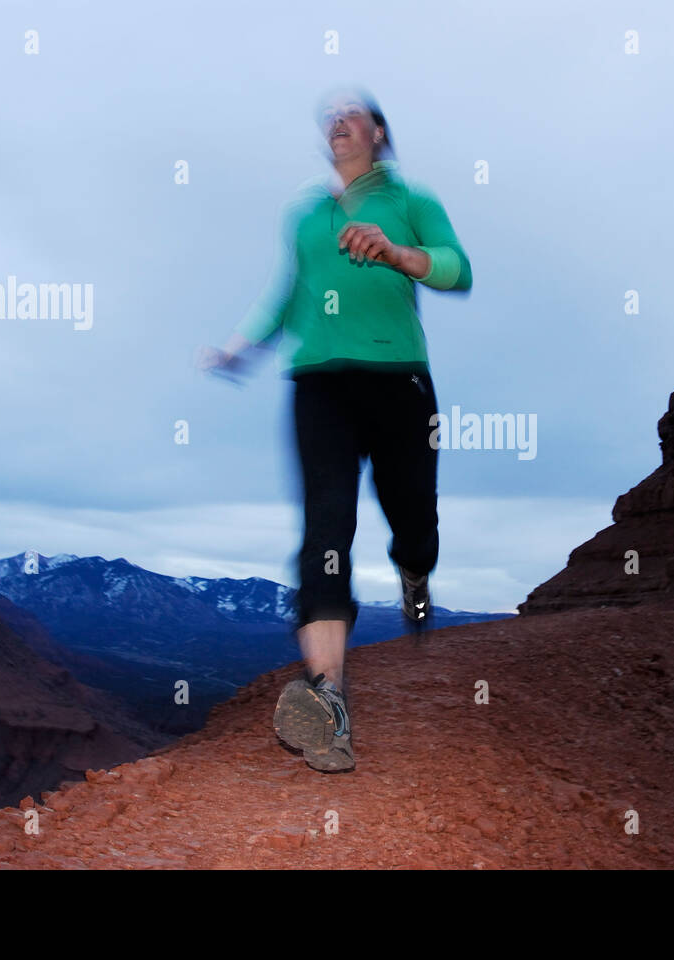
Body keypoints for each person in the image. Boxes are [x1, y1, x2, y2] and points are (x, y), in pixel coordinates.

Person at [196, 85, 472, 772]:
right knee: (326, 528)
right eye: (329, 117)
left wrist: (397, 252)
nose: (337, 123)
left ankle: (415, 569)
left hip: (400, 378)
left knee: (413, 513)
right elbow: (288, 291)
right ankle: (330, 701)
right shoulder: (307, 214)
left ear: (378, 131)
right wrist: (241, 345)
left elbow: (456, 269)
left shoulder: (411, 200)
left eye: (352, 114)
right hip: (319, 380)